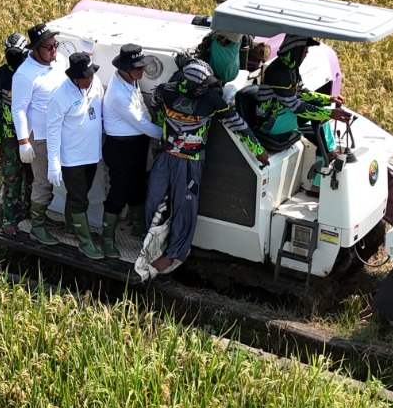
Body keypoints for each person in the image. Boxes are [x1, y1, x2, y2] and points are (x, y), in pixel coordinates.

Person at [145, 60, 268, 274]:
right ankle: (153, 244)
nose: (206, 87)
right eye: (202, 84)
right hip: (165, 156)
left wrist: (258, 150)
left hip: (191, 161)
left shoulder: (212, 100)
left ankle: (174, 253)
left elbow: (238, 124)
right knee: (154, 200)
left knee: (185, 207)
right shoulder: (166, 91)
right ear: (190, 84)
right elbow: (157, 111)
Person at [101, 44, 162, 258]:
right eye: (138, 68)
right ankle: (107, 238)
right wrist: (165, 135)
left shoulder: (131, 81)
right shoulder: (118, 94)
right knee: (119, 191)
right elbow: (139, 123)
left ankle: (138, 226)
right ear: (125, 69)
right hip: (121, 148)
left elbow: (142, 111)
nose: (142, 71)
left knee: (137, 186)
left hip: (136, 145)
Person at [46, 52, 108, 260]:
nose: (89, 80)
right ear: (73, 77)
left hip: (92, 153)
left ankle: (71, 228)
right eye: (84, 77)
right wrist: (54, 164)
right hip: (71, 157)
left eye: (90, 75)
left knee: (81, 193)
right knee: (80, 199)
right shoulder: (60, 96)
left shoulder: (94, 83)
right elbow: (52, 131)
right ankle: (84, 241)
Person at [255, 34, 345, 176]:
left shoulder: (291, 68)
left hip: (283, 116)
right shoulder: (278, 72)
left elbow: (302, 92)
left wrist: (329, 99)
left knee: (320, 125)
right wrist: (329, 113)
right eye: (304, 51)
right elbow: (295, 106)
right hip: (270, 123)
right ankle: (329, 154)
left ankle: (326, 158)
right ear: (294, 50)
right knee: (318, 114)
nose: (306, 55)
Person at [10, 23, 66, 245]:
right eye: (49, 47)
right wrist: (24, 141)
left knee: (54, 180)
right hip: (40, 135)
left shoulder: (58, 62)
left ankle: (41, 216)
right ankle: (37, 226)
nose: (54, 50)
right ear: (36, 49)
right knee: (43, 181)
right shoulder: (24, 74)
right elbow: (18, 109)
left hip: (61, 132)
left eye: (56, 45)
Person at [0, 32, 31, 236]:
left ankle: (28, 214)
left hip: (31, 134)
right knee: (11, 177)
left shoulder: (33, 71)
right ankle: (9, 219)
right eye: (10, 53)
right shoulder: (0, 76)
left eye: (18, 53)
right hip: (9, 135)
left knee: (33, 177)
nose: (14, 57)